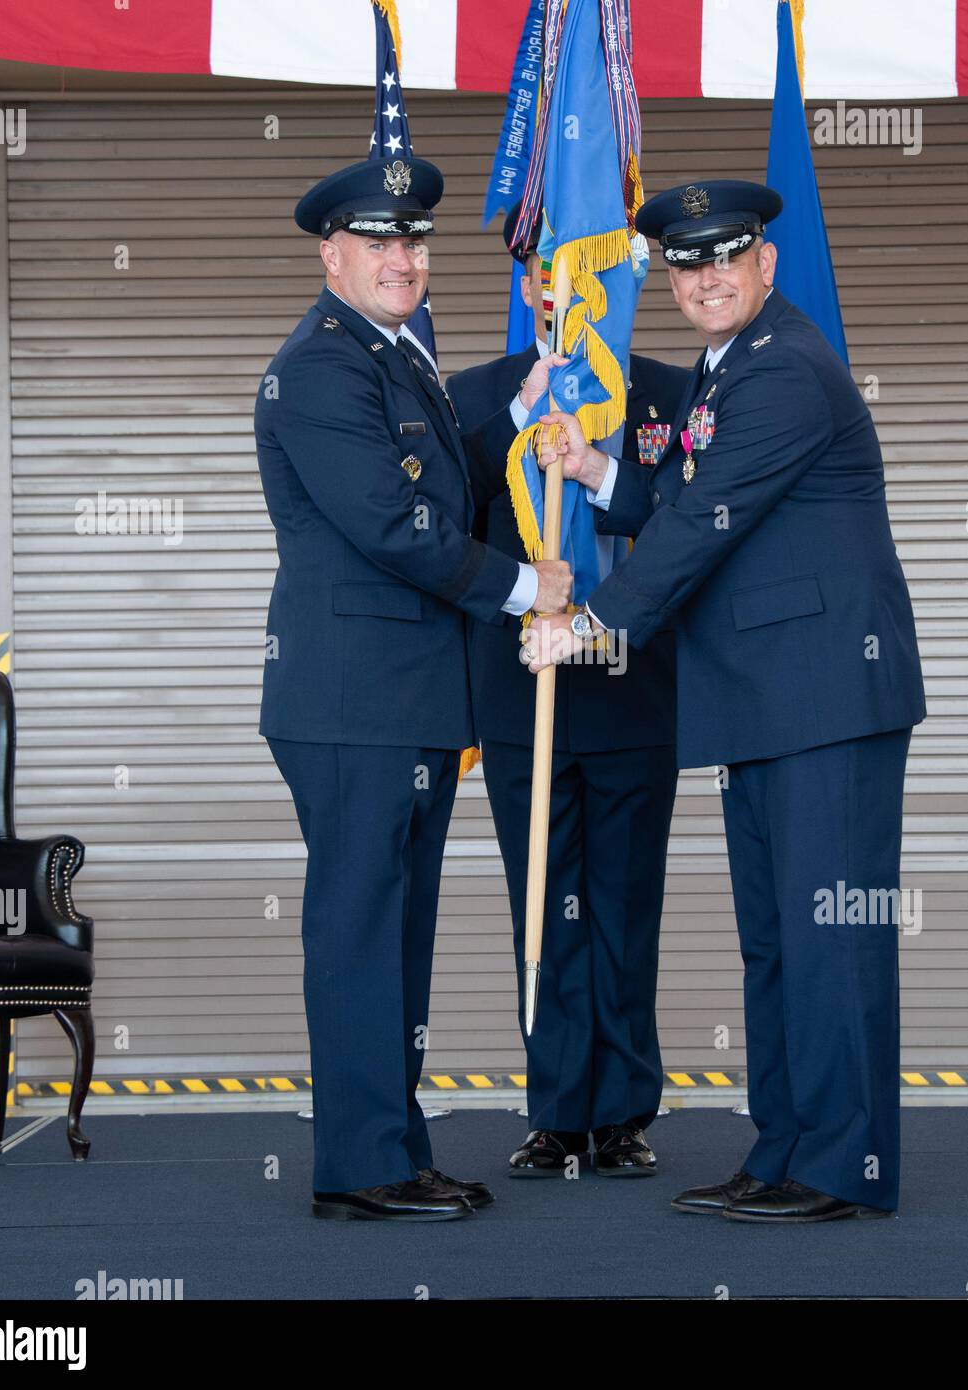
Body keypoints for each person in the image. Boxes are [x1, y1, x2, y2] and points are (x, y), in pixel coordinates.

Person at [524, 180, 926, 1222]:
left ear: (765, 265)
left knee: (827, 934)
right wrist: (595, 466)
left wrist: (592, 625)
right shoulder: (730, 368)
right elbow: (677, 495)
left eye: (725, 258)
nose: (705, 277)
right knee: (779, 938)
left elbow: (703, 521)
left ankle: (842, 1166)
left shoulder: (785, 368)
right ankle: (786, 1146)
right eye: (685, 264)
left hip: (824, 697)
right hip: (769, 701)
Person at [254, 155, 571, 1221]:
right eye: (380, 241)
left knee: (394, 932)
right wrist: (530, 584)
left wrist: (516, 410)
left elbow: (436, 482)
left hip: (407, 702)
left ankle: (392, 1145)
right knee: (359, 930)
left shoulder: (391, 356)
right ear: (330, 252)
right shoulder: (322, 366)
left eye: (415, 241)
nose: (403, 257)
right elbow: (395, 528)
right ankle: (359, 1165)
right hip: (355, 703)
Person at [446, 205, 689, 1179]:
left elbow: (685, 522)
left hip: (630, 692)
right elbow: (439, 520)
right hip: (523, 695)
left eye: (589, 277)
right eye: (551, 278)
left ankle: (624, 1110)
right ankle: (555, 1111)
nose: (569, 295)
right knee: (544, 905)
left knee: (624, 907)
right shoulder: (476, 394)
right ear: (528, 288)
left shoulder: (664, 394)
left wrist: (596, 468)